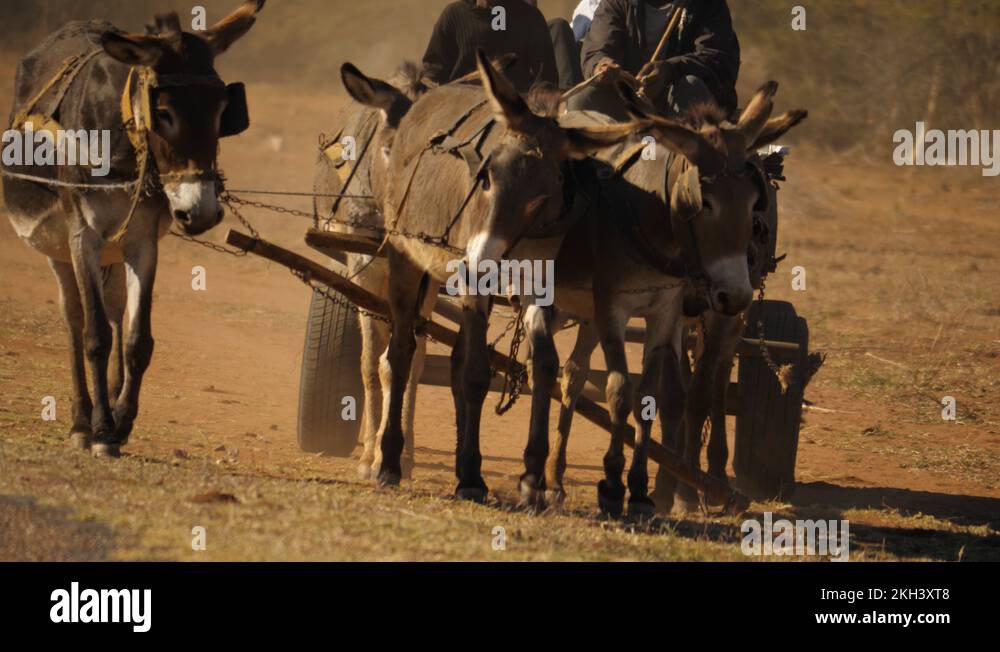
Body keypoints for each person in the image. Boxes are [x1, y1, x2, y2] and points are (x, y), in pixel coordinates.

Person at [573, 0, 741, 119]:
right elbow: (597, 49)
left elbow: (718, 59)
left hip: (675, 99)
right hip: (628, 97)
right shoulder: (617, 2)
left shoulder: (706, 4)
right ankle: (595, 167)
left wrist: (671, 69)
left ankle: (686, 165)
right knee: (582, 100)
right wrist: (601, 65)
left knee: (690, 86)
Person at [421, 0, 558, 93]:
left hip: (516, 110)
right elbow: (434, 71)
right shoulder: (453, 15)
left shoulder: (530, 16)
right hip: (464, 109)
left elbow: (545, 77)